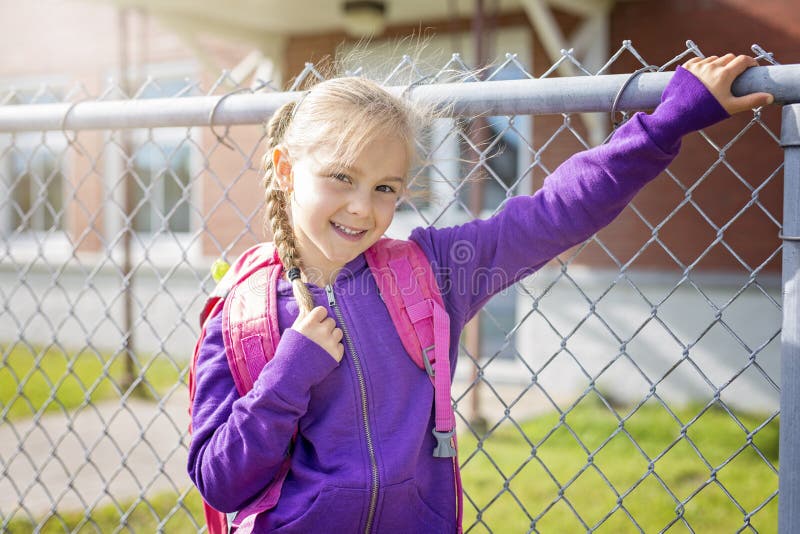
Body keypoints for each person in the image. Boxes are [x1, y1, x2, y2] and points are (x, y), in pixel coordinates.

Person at [187, 53, 773, 532]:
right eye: (341, 177)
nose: (364, 208)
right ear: (287, 170)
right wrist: (290, 373)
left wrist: (669, 120)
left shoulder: (431, 272)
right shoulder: (241, 317)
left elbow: (553, 213)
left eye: (386, 187)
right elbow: (220, 480)